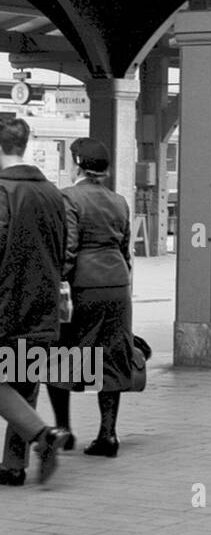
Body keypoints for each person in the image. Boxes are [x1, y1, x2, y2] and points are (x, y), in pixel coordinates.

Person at [47, 138, 136, 459]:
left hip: (83, 286)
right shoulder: (119, 201)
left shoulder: (68, 198)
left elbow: (68, 248)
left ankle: (64, 430)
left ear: (77, 165)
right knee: (111, 356)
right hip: (116, 285)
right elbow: (126, 251)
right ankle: (108, 434)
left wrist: (60, 283)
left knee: (61, 355)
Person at [0, 115, 71, 486]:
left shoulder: (3, 191)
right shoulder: (52, 193)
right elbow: (65, 249)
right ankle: (13, 465)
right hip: (42, 304)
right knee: (23, 377)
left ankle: (44, 435)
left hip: (5, 303)